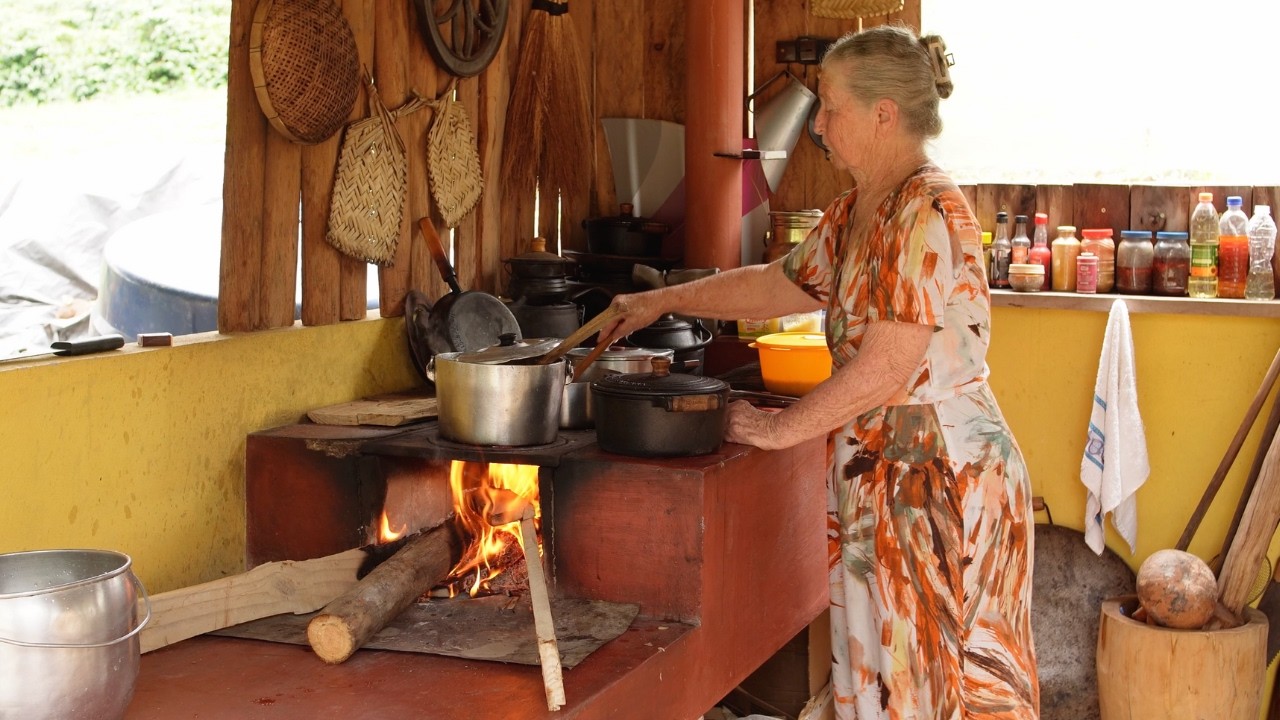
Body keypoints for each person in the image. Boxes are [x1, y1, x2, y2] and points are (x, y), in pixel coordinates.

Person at [597, 24, 1039, 720]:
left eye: (831, 108)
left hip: (934, 476)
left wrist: (778, 430)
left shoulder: (921, 210)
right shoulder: (861, 208)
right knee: (889, 685)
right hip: (886, 469)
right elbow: (779, 283)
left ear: (884, 114)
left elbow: (889, 365)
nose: (820, 125)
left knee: (935, 690)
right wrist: (660, 300)